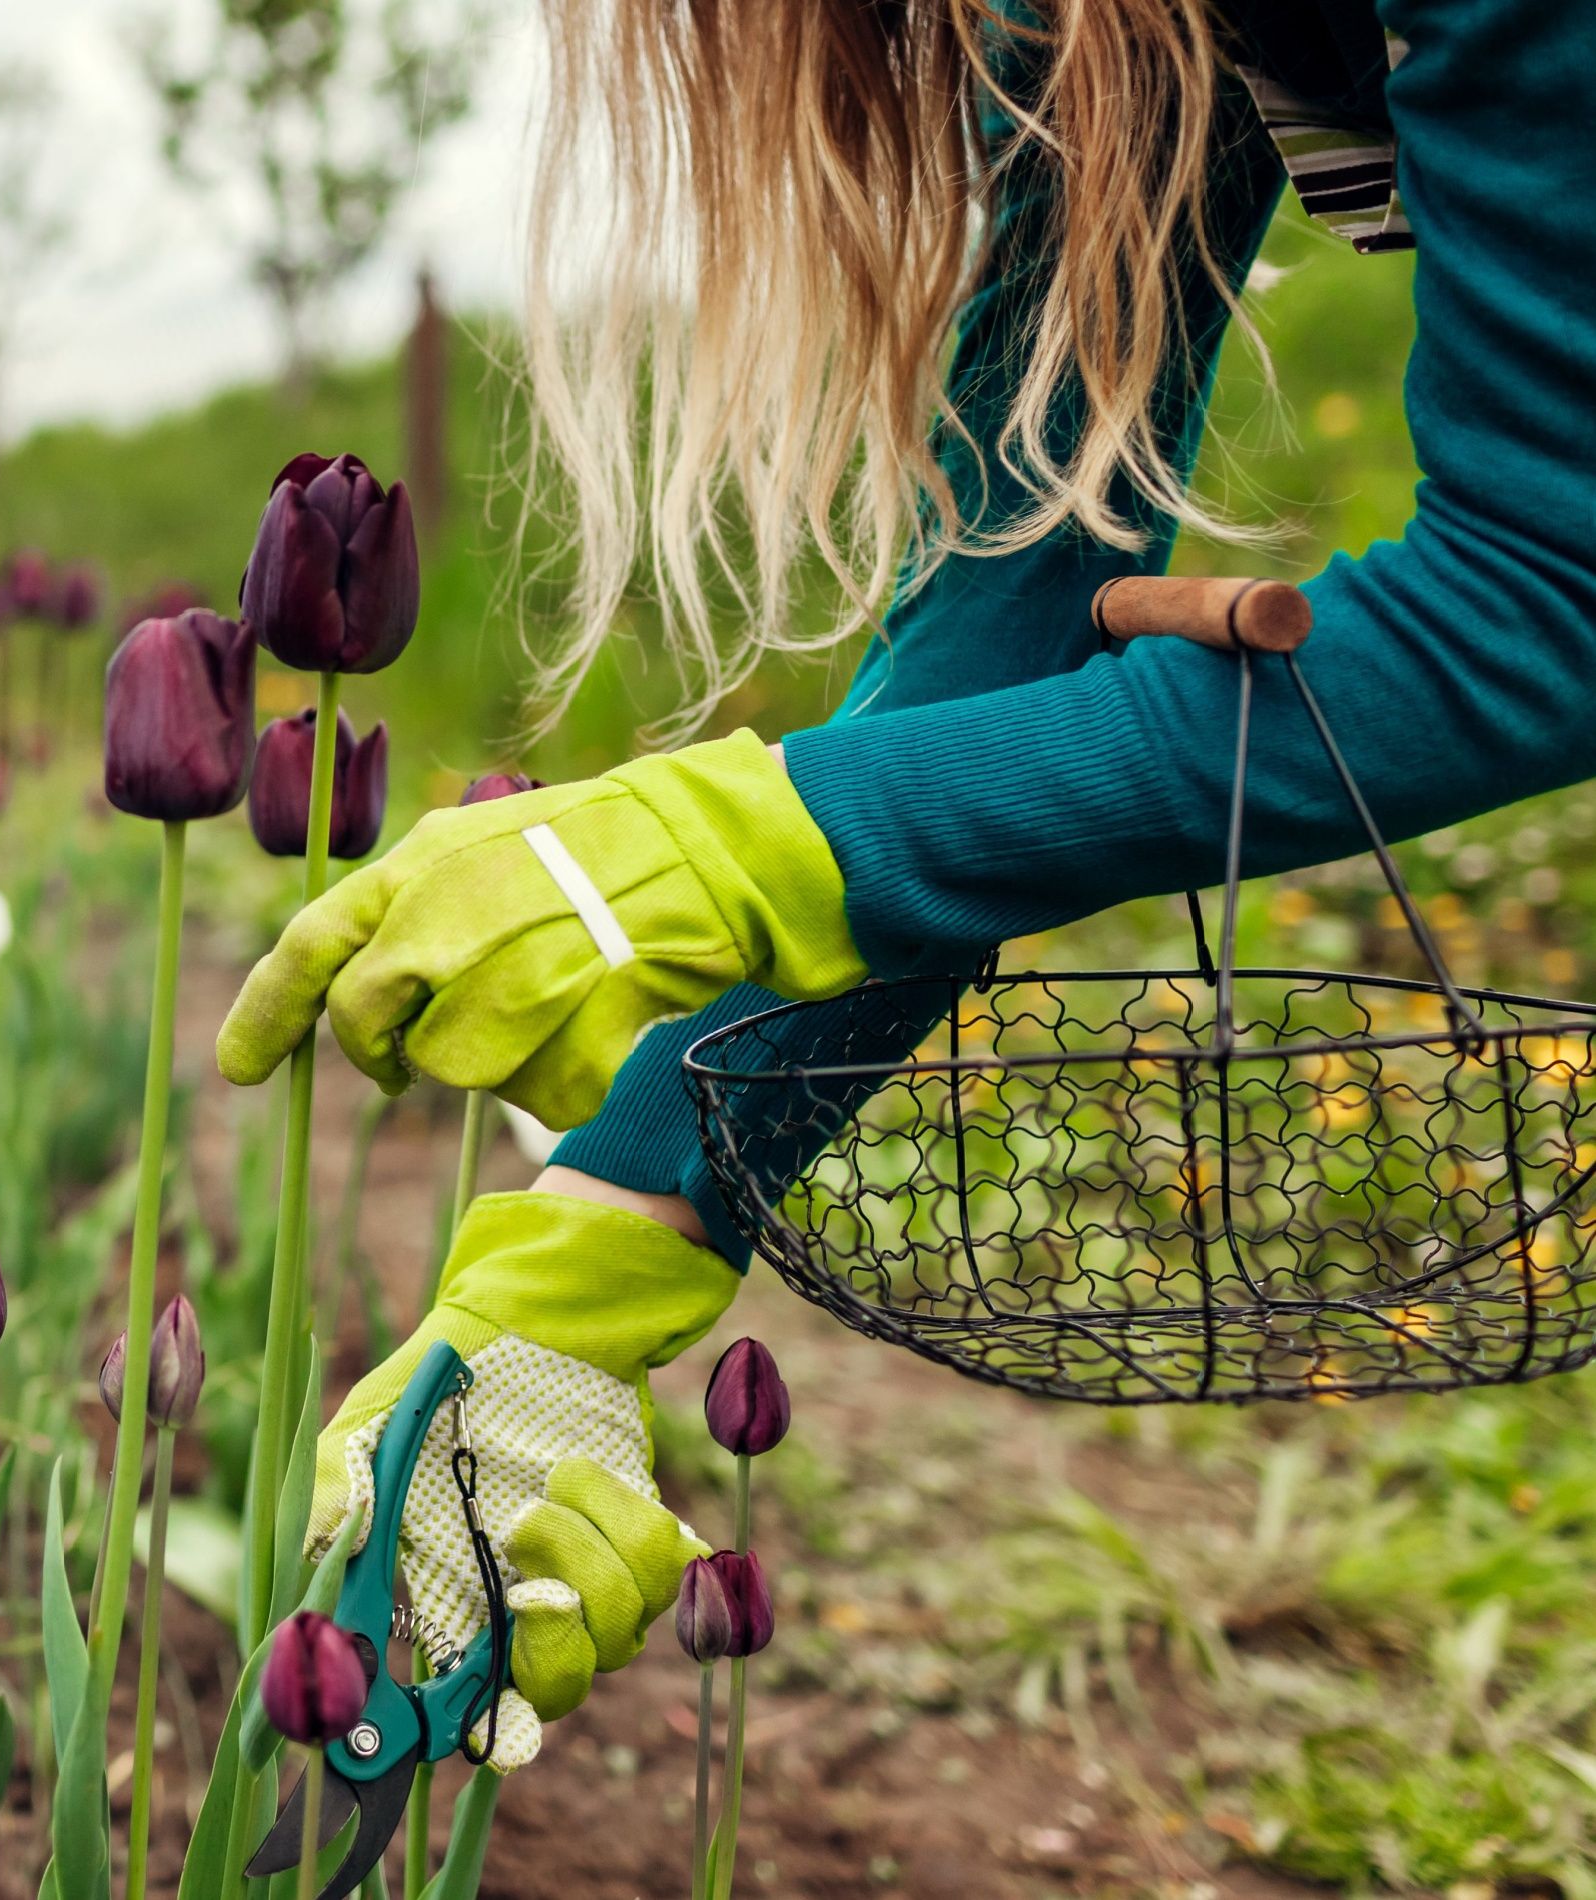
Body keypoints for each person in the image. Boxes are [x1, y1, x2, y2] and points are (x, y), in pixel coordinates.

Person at [216, 0, 1596, 1769]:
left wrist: (759, 834)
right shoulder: (1100, 27)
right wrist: (588, 1257)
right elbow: (1014, 615)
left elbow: (1549, 588)